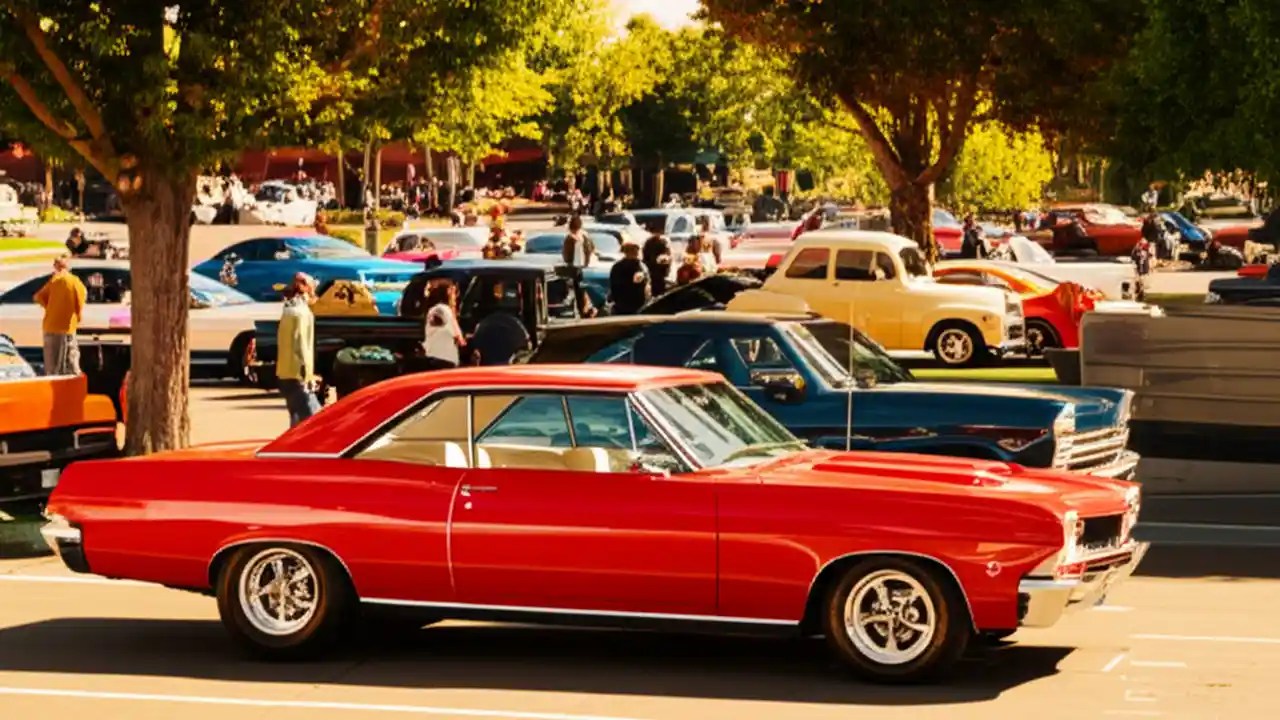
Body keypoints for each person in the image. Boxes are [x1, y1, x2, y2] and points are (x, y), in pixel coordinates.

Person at [276, 272, 321, 427]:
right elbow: (301, 344)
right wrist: (307, 375)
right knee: (315, 421)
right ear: (305, 289)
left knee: (296, 419)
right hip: (298, 374)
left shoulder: (288, 309)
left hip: (285, 372)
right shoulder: (301, 313)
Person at [33, 255, 86, 376]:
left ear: (56, 266)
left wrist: (50, 307)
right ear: (67, 266)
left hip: (50, 326)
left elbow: (38, 297)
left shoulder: (54, 280)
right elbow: (80, 299)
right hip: (66, 326)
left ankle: (52, 384)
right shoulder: (74, 281)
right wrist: (78, 316)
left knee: (51, 364)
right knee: (70, 361)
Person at [421, 279, 464, 370]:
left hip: (433, 356)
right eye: (454, 293)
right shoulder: (444, 310)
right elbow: (460, 339)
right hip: (446, 360)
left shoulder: (433, 310)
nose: (455, 297)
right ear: (448, 292)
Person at [562, 215, 594, 313]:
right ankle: (583, 308)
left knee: (579, 288)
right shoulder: (582, 236)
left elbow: (566, 254)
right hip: (580, 266)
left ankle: (583, 308)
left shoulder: (575, 237)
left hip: (578, 266)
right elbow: (591, 248)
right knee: (580, 288)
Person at [609, 242, 650, 315]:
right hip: (636, 304)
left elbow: (613, 286)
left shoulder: (617, 266)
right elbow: (646, 285)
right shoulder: (639, 266)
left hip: (620, 304)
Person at [642, 221, 672, 297]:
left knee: (659, 289)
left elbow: (667, 256)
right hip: (653, 270)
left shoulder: (663, 242)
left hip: (660, 270)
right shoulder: (649, 242)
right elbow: (645, 256)